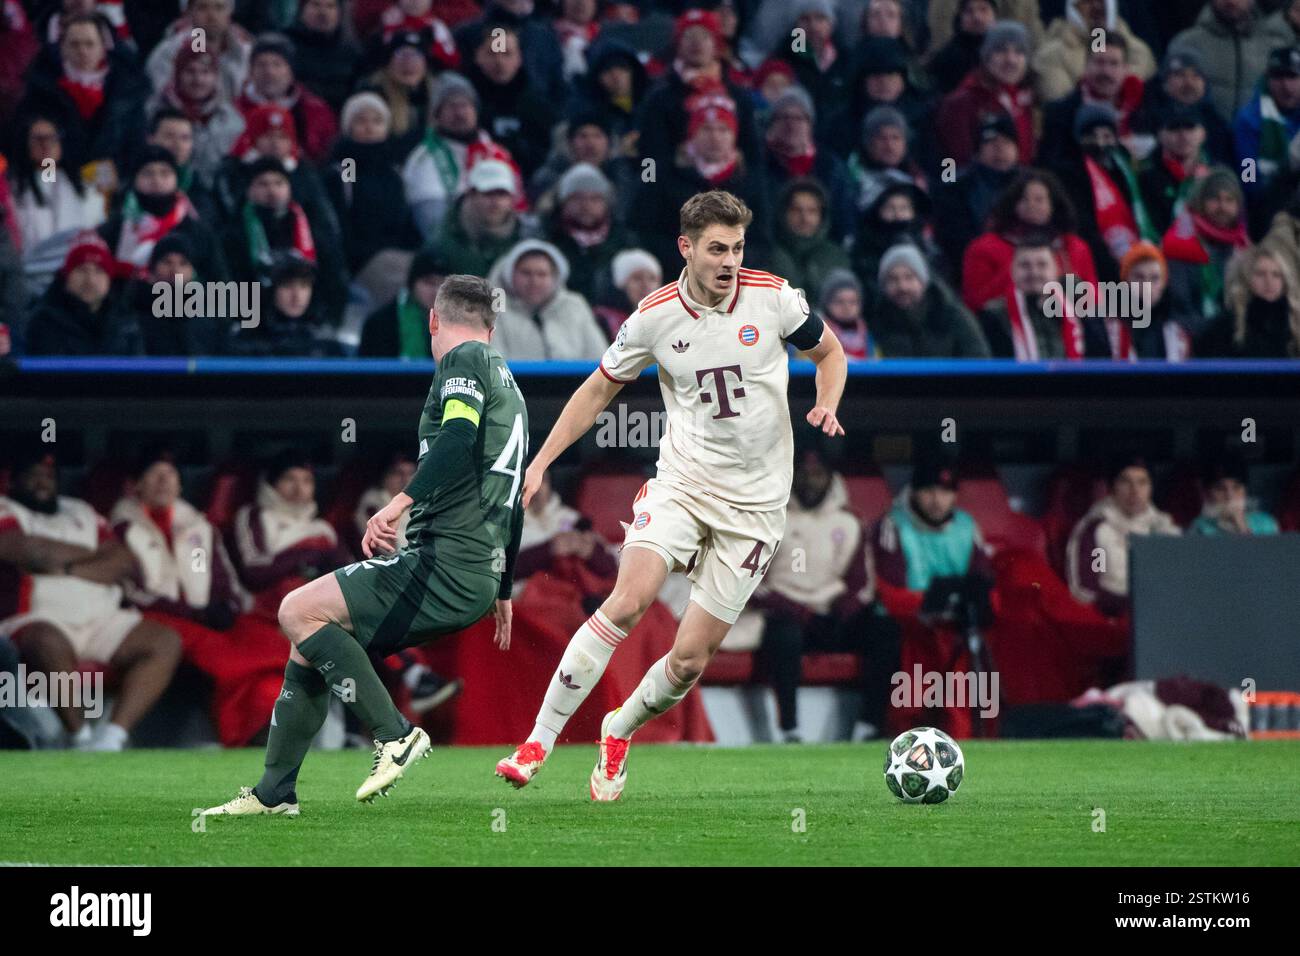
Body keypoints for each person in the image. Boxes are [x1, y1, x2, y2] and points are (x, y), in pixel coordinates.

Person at [495, 190, 847, 800]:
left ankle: (618, 729)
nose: (730, 260)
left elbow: (831, 352)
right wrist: (542, 460)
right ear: (686, 248)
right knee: (627, 602)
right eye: (717, 248)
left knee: (689, 661)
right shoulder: (653, 316)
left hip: (757, 506)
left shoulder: (775, 298)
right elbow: (596, 391)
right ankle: (537, 742)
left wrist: (826, 401)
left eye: (737, 247)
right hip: (682, 484)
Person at [203, 275, 528, 814]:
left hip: (444, 562)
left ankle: (394, 734)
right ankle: (274, 792)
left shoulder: (463, 360)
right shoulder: (510, 388)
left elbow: (456, 440)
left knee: (295, 611)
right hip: (474, 571)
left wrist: (398, 502)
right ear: (492, 327)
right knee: (308, 636)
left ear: (432, 320)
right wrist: (505, 583)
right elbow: (515, 496)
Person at [0, 444, 182, 750]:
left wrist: (64, 566)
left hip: (102, 617)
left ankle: (111, 738)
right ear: (13, 482)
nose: (41, 482)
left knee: (164, 641)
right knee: (46, 641)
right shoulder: (5, 507)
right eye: (32, 476)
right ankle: (79, 735)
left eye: (48, 476)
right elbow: (26, 550)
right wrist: (96, 558)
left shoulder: (81, 511)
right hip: (38, 615)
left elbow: (124, 561)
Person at [750, 439, 899, 742]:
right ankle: (790, 729)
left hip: (831, 615)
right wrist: (800, 611)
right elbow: (752, 582)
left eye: (818, 474)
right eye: (803, 473)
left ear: (831, 477)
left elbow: (861, 584)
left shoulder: (848, 521)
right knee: (783, 634)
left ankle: (868, 727)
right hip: (788, 615)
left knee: (885, 631)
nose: (810, 481)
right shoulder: (769, 517)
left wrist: (842, 610)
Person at [1066, 453, 1180, 618]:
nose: (1135, 491)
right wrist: (1132, 607)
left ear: (1151, 488)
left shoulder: (1164, 528)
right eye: (1125, 482)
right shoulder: (1098, 529)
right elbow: (1088, 588)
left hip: (1161, 618)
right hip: (1112, 620)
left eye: (1142, 482)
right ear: (1112, 487)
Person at [485, 238, 607, 361]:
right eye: (526, 273)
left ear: (554, 278)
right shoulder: (492, 310)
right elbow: (491, 363)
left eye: (542, 274)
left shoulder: (575, 306)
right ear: (510, 275)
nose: (534, 281)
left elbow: (599, 359)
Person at [25, 230, 141, 356]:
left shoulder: (127, 323)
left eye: (99, 271)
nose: (90, 280)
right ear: (67, 276)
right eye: (81, 270)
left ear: (109, 279)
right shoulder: (44, 322)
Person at [873, 244, 991, 358]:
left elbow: (978, 358)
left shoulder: (953, 315)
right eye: (893, 279)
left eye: (909, 277)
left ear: (923, 282)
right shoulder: (876, 320)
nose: (902, 287)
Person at [359, 248, 447, 358]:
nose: (436, 291)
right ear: (412, 285)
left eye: (442, 284)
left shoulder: (458, 324)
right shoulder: (380, 325)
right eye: (429, 283)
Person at [1189, 453, 1280, 536]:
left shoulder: (1266, 523)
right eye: (1220, 489)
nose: (1230, 496)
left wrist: (1241, 527)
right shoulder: (1200, 528)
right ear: (1207, 494)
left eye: (1236, 487)